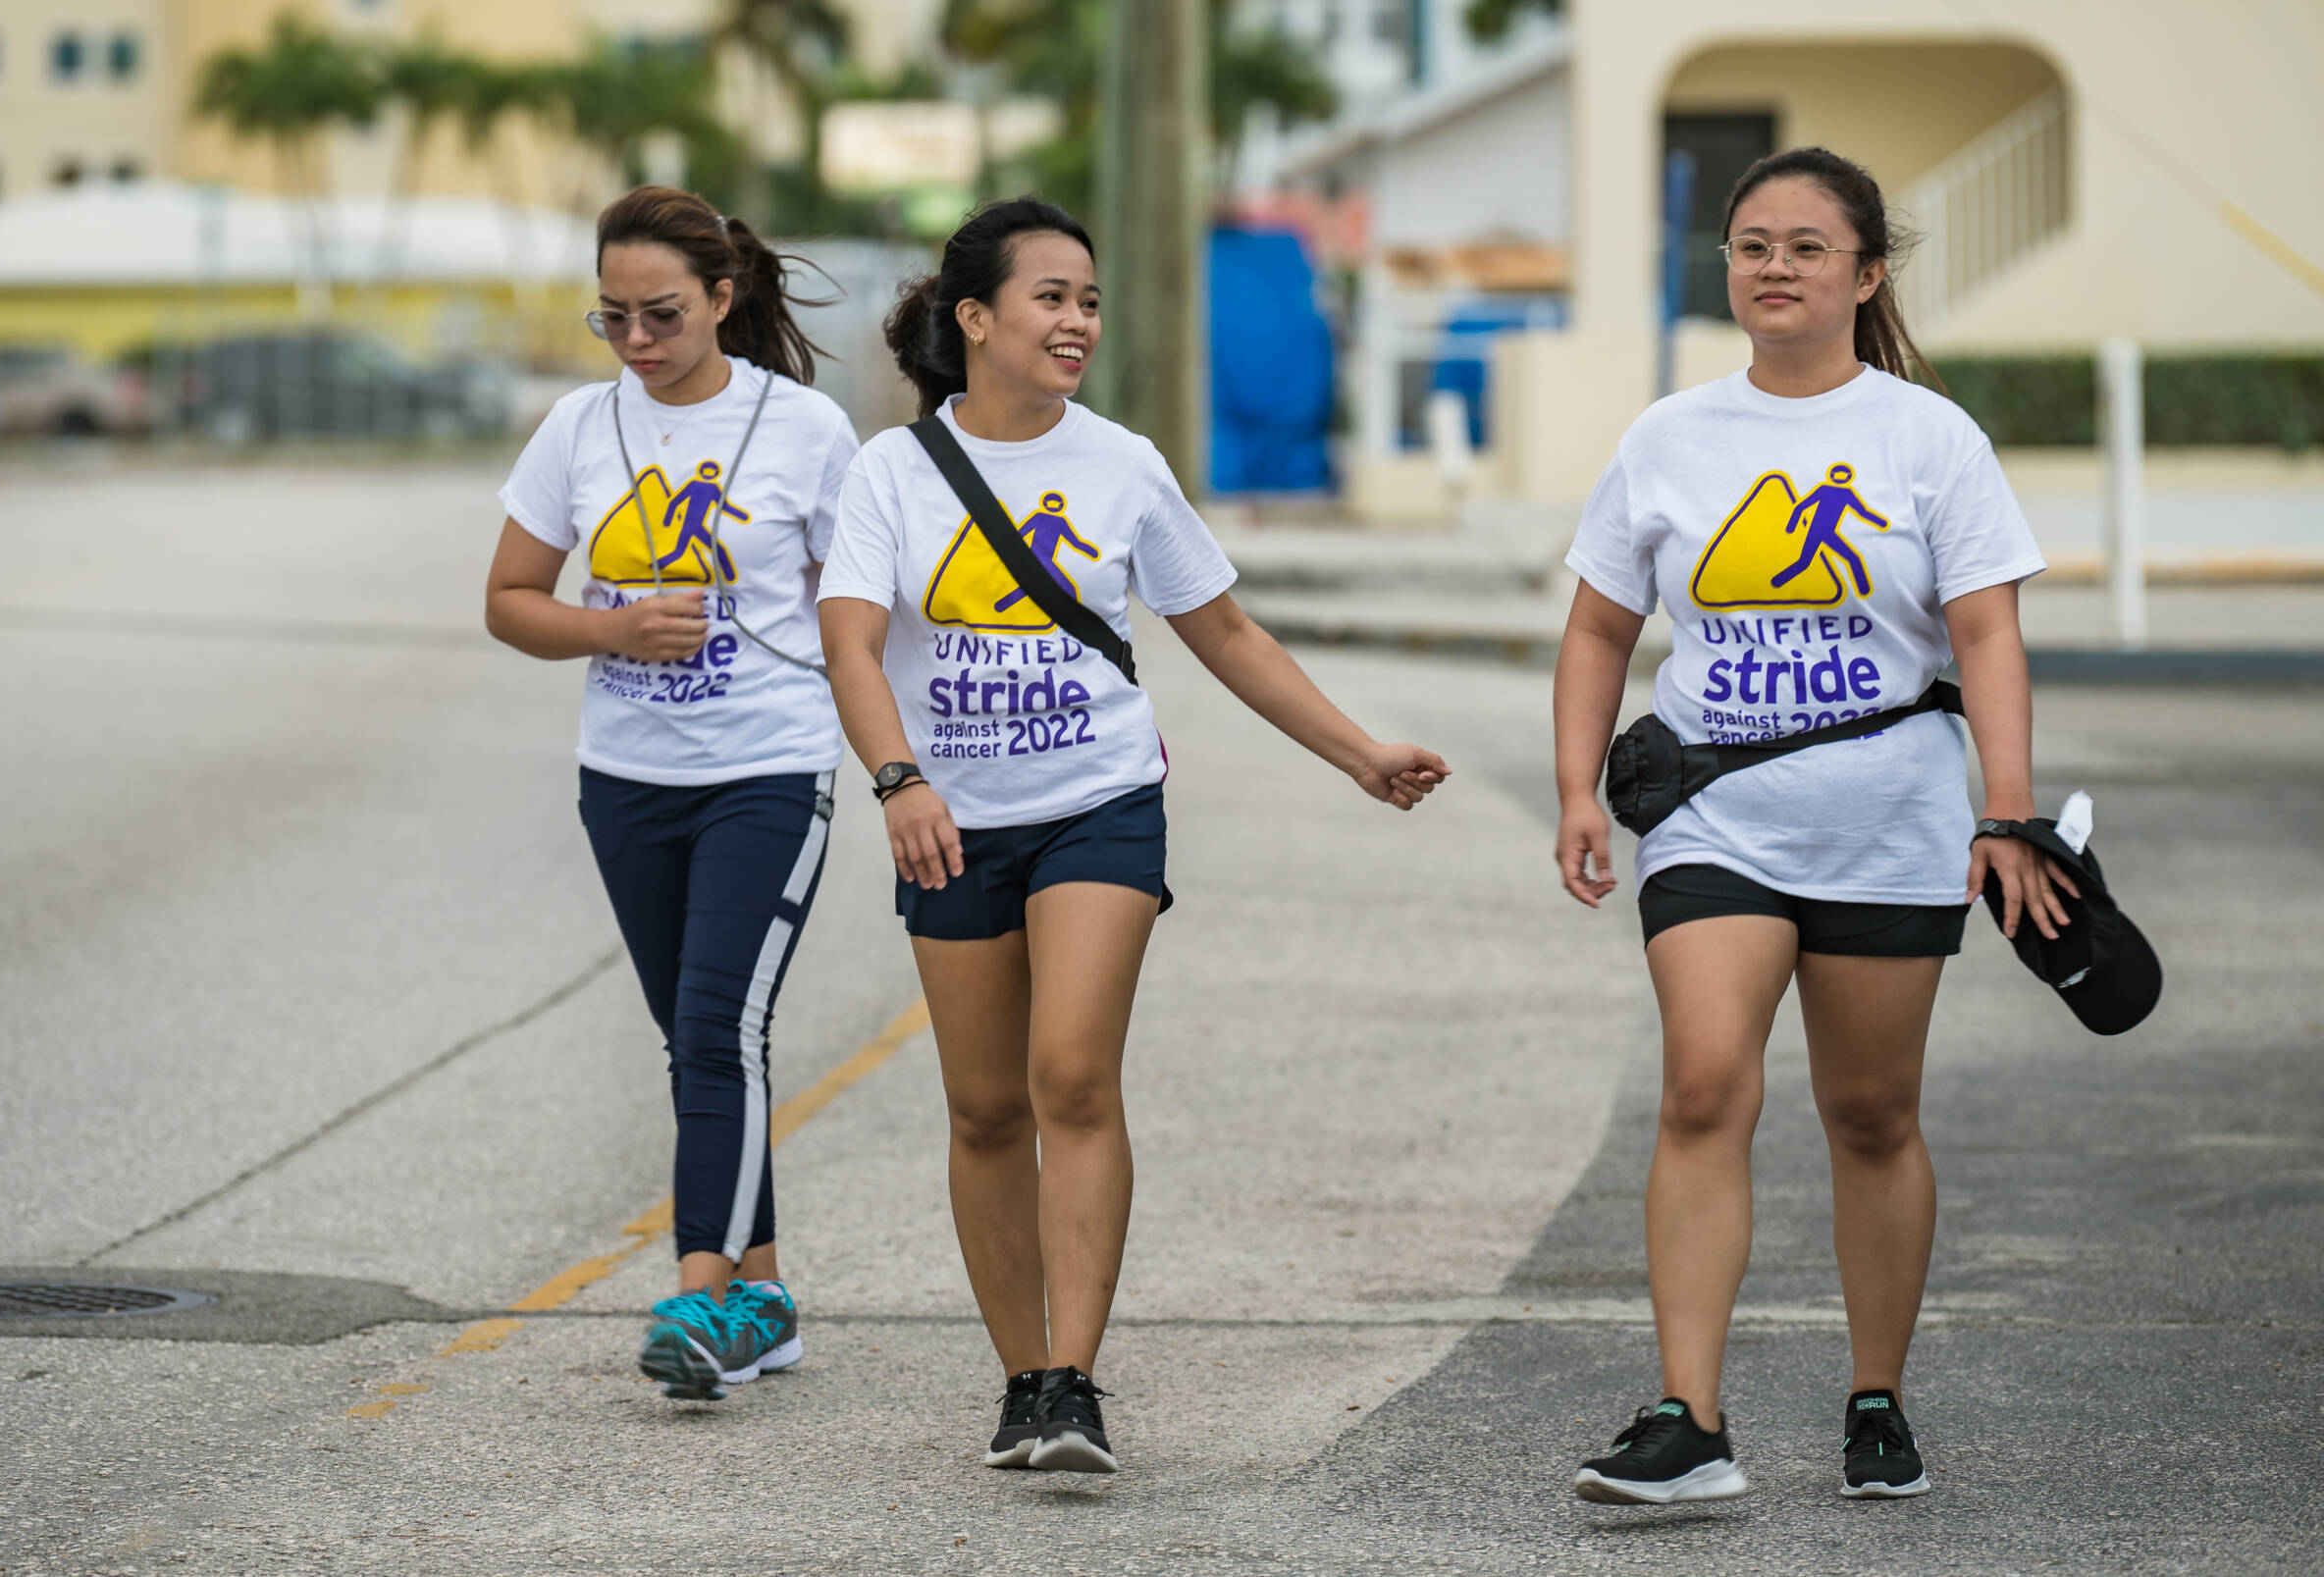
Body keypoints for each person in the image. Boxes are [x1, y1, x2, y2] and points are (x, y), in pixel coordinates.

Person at [816, 195, 1450, 1475]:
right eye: (1051, 297)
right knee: (987, 1108)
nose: (1078, 322)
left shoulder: (1123, 463)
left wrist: (1360, 749)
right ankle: (1018, 1376)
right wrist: (898, 780)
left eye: (1090, 300)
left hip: (1099, 803)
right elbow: (851, 639)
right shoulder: (892, 470)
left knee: (1071, 1074)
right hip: (949, 822)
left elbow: (1227, 635)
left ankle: (1075, 1378)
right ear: (976, 316)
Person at [1552, 147, 2074, 1503]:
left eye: (1803, 246)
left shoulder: (1928, 436)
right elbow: (1602, 622)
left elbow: (1988, 634)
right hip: (1718, 819)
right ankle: (1687, 1417)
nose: (1772, 267)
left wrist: (2006, 812)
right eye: (1751, 245)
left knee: (1872, 1111)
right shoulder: (1669, 437)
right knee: (1703, 1081)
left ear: (1866, 271)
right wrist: (1570, 790)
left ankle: (1876, 1393)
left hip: (1891, 824)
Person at [483, 185, 859, 1402]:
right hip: (628, 780)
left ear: (721, 299)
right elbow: (510, 599)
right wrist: (613, 626)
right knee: (702, 1043)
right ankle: (765, 1295)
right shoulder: (580, 427)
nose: (637, 343)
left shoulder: (805, 429)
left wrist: (910, 768)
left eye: (660, 316)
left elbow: (862, 614)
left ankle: (701, 1296)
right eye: (613, 320)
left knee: (715, 1030)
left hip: (769, 765)